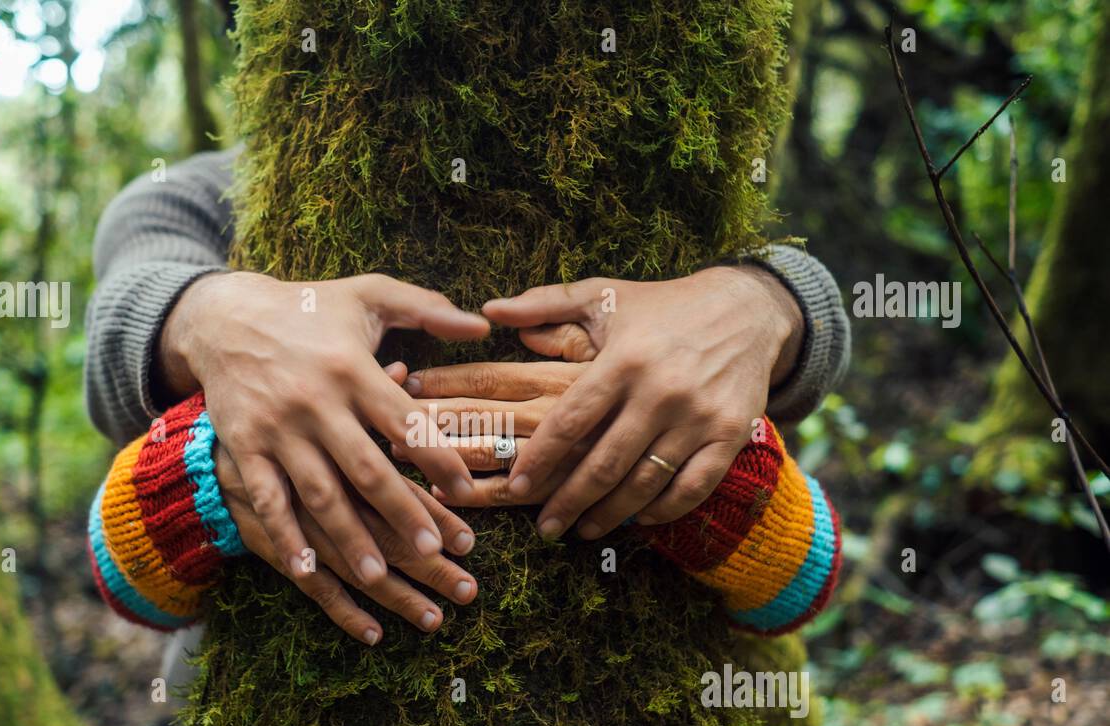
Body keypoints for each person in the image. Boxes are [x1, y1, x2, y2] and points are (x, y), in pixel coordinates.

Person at [84, 144, 850, 643]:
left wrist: (768, 303)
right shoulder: (198, 194)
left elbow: (802, 582)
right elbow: (136, 281)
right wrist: (215, 323)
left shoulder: (683, 165)